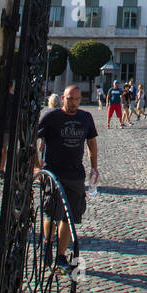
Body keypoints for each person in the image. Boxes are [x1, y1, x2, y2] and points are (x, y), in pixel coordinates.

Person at [36, 84, 98, 271]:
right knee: (52, 213)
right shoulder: (51, 117)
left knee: (68, 218)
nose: (73, 102)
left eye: (77, 99)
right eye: (70, 98)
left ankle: (61, 255)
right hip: (53, 173)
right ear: (62, 98)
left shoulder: (85, 117)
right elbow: (33, 139)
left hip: (75, 174)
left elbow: (92, 143)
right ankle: (47, 245)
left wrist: (94, 168)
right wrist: (36, 167)